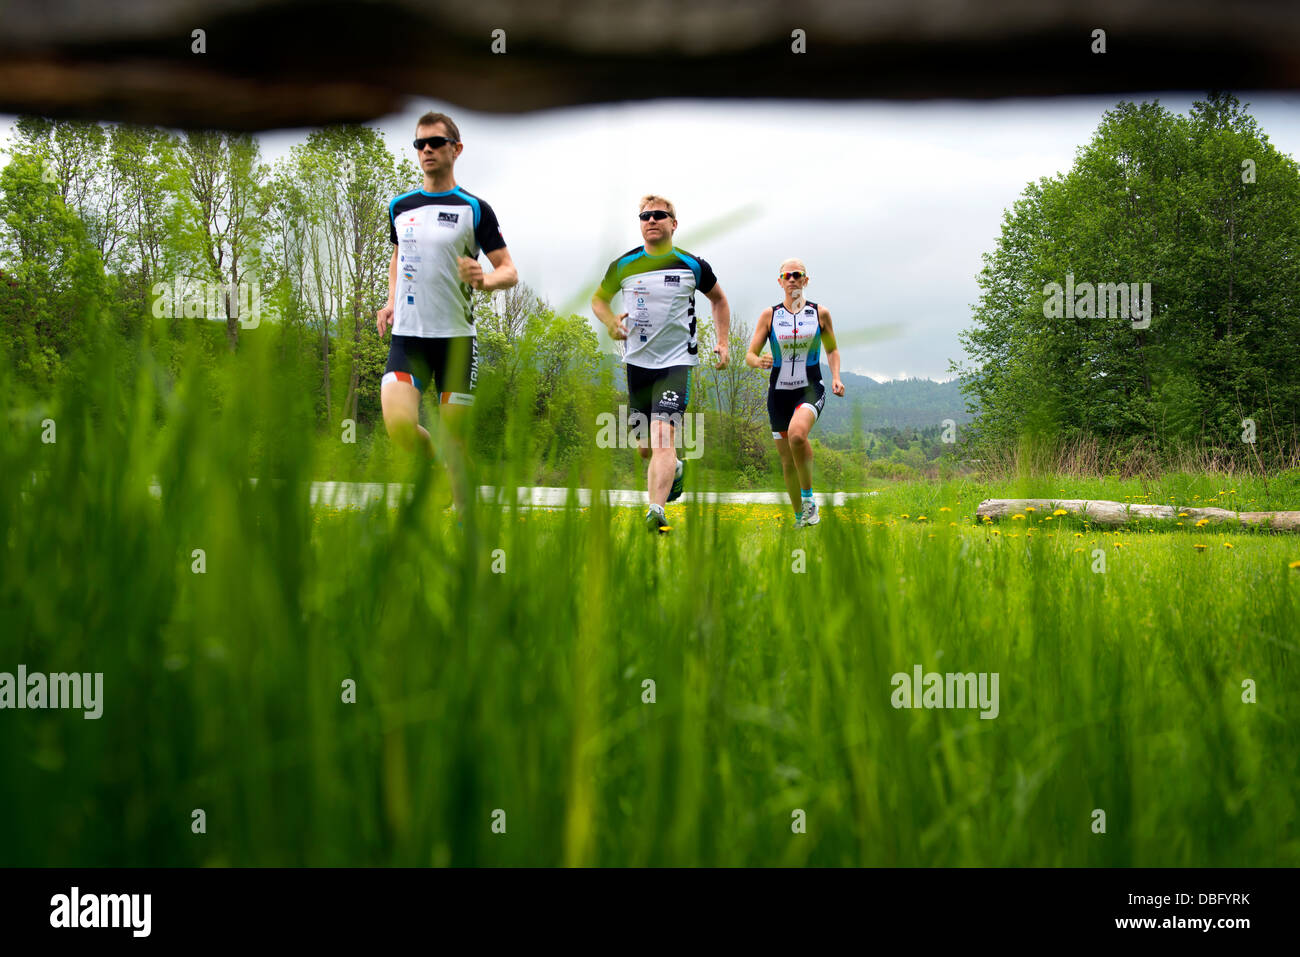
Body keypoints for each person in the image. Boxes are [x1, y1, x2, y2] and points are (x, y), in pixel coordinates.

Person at [376, 111, 517, 510]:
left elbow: (509, 271)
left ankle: (464, 520)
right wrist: (391, 300)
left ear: (456, 149)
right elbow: (399, 253)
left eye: (435, 143)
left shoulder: (475, 209)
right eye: (419, 144)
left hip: (456, 340)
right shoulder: (400, 207)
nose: (426, 151)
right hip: (408, 337)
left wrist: (485, 279)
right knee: (400, 428)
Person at [592, 196, 731, 534]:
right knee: (645, 448)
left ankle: (656, 510)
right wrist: (610, 321)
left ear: (673, 223)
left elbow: (719, 300)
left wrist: (723, 342)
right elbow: (598, 300)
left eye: (659, 215)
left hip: (676, 363)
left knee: (663, 436)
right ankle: (677, 470)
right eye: (645, 216)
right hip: (637, 364)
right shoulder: (623, 265)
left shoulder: (692, 265)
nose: (651, 220)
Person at [745, 258, 844, 527]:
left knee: (798, 435)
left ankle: (809, 499)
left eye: (797, 275)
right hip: (778, 395)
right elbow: (750, 355)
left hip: (810, 388)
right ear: (780, 281)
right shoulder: (770, 315)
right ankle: (801, 517)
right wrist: (759, 361)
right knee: (787, 462)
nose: (792, 279)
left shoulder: (820, 313)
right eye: (786, 275)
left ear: (805, 280)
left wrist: (836, 377)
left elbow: (832, 349)